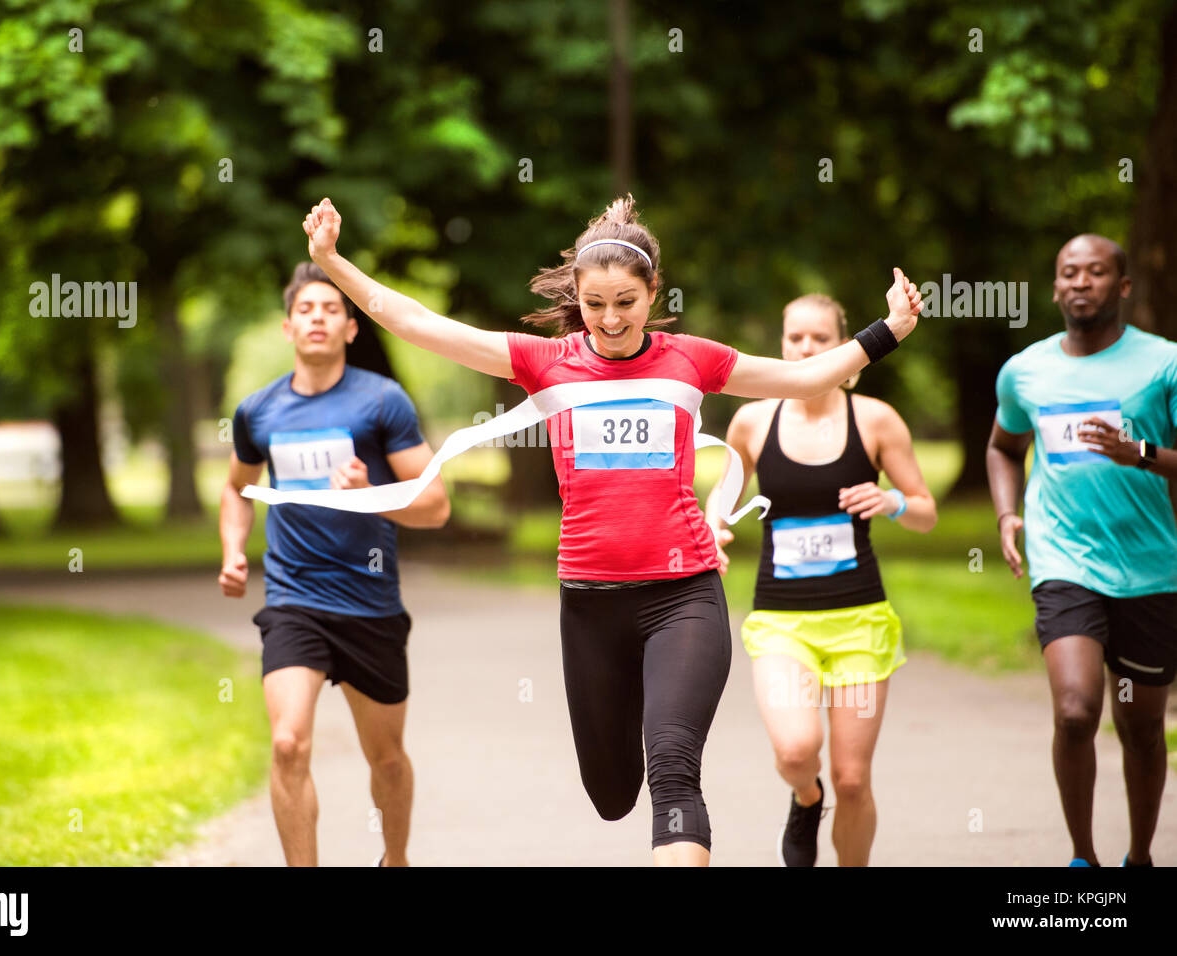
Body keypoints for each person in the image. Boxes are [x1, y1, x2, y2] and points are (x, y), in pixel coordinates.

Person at [301, 193, 922, 866]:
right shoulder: (546, 361)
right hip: (591, 603)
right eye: (594, 305)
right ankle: (753, 790)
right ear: (579, 299)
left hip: (683, 595)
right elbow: (414, 320)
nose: (610, 319)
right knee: (610, 793)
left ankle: (782, 805)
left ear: (653, 292)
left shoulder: (692, 360)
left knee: (674, 768)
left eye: (625, 302)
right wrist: (332, 261)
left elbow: (802, 379)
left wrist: (885, 330)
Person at [218, 261, 450, 867]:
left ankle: (394, 859)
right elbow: (235, 488)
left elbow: (435, 507)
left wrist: (371, 491)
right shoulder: (258, 412)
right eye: (305, 310)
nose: (317, 318)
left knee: (388, 759)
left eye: (330, 310)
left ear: (350, 328)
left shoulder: (382, 401)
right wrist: (233, 552)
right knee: (289, 743)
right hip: (295, 603)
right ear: (288, 326)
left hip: (370, 604)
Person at [705, 293, 936, 867]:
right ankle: (806, 798)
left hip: (859, 622)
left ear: (845, 349)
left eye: (820, 339)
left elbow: (927, 510)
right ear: (782, 346)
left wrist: (892, 501)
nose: (806, 349)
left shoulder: (876, 420)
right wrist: (712, 522)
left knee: (854, 779)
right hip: (782, 624)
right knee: (794, 750)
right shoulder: (754, 420)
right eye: (795, 339)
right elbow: (723, 493)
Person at [987, 234, 1177, 868]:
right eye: (1069, 272)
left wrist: (1142, 454)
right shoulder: (1026, 370)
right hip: (1064, 560)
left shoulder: (1163, 364)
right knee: (1074, 710)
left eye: (1097, 272)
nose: (1081, 282)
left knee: (1142, 726)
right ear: (1055, 287)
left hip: (1151, 566)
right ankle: (1083, 860)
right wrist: (1009, 514)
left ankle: (1140, 856)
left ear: (1122, 287)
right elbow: (1003, 447)